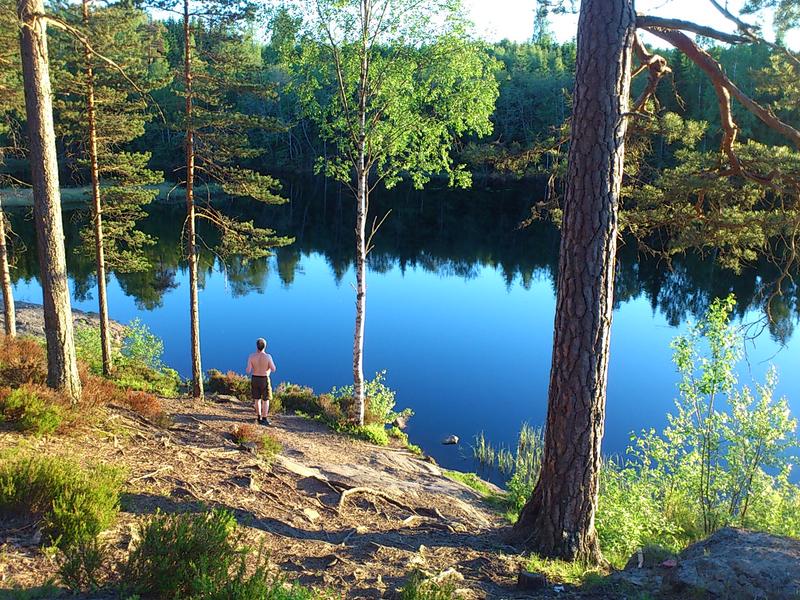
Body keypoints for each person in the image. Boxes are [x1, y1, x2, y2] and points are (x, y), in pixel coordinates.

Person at [246, 338, 277, 426]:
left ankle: (258, 417)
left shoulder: (251, 356)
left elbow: (248, 370)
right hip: (264, 379)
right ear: (265, 346)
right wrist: (268, 371)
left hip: (255, 378)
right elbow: (273, 369)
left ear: (256, 346)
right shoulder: (268, 357)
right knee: (266, 399)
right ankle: (264, 418)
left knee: (257, 399)